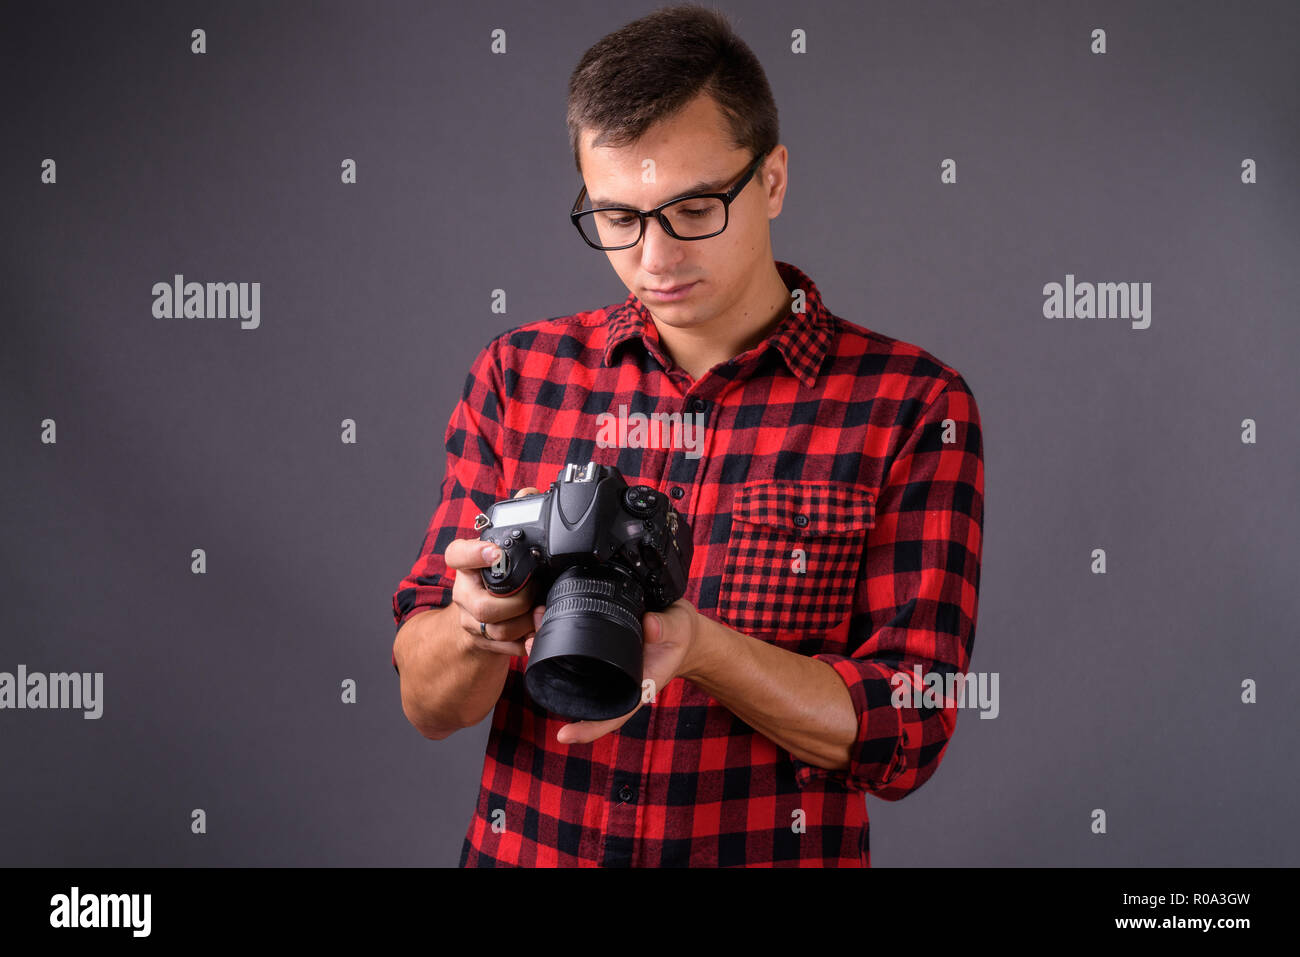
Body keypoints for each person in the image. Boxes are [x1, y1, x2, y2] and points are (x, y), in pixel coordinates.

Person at [391, 3, 984, 867]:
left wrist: (702, 651)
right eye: (617, 218)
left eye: (694, 208)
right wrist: (479, 622)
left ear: (773, 179)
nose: (654, 258)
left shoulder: (912, 405)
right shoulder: (519, 374)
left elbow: (908, 728)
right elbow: (427, 702)